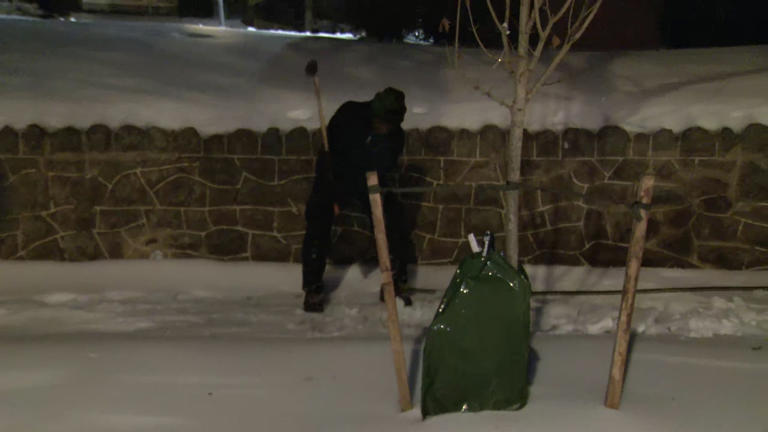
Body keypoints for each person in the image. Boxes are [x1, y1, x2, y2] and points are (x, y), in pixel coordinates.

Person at [302, 87, 413, 313]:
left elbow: (383, 167)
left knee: (393, 218)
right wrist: (334, 193)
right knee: (318, 219)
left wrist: (373, 188)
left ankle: (394, 282)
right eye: (383, 122)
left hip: (368, 181)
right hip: (335, 177)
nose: (386, 128)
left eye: (390, 125)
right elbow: (328, 152)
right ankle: (312, 288)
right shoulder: (349, 115)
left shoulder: (395, 136)